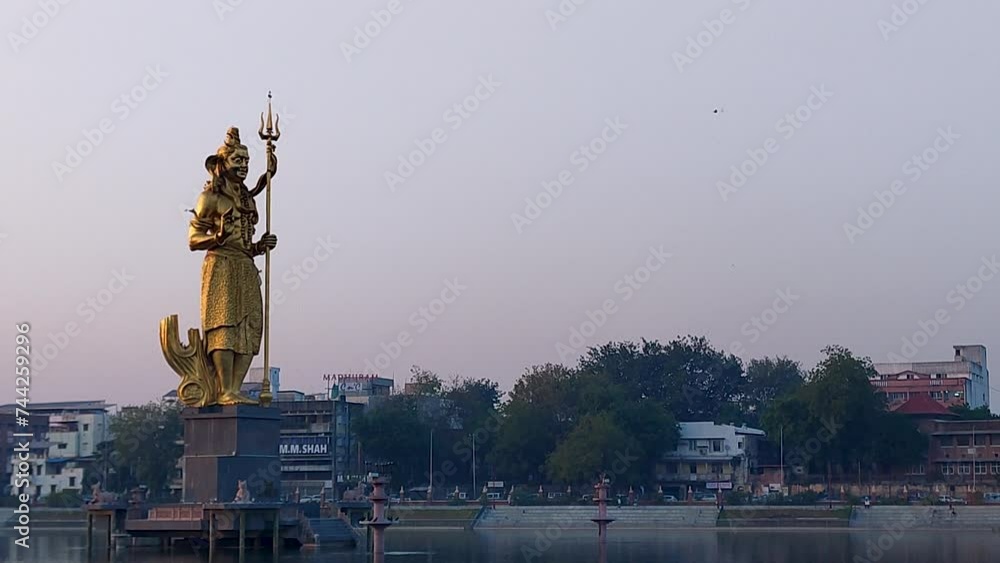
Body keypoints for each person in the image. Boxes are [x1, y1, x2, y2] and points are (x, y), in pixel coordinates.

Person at [188, 127, 277, 404]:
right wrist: (216, 237)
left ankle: (235, 388)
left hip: (245, 264)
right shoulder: (210, 198)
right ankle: (224, 388)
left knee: (250, 324)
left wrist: (259, 247)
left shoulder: (245, 197)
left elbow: (246, 238)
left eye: (247, 162)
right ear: (221, 164)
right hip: (221, 264)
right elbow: (193, 239)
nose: (243, 167)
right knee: (224, 323)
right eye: (237, 161)